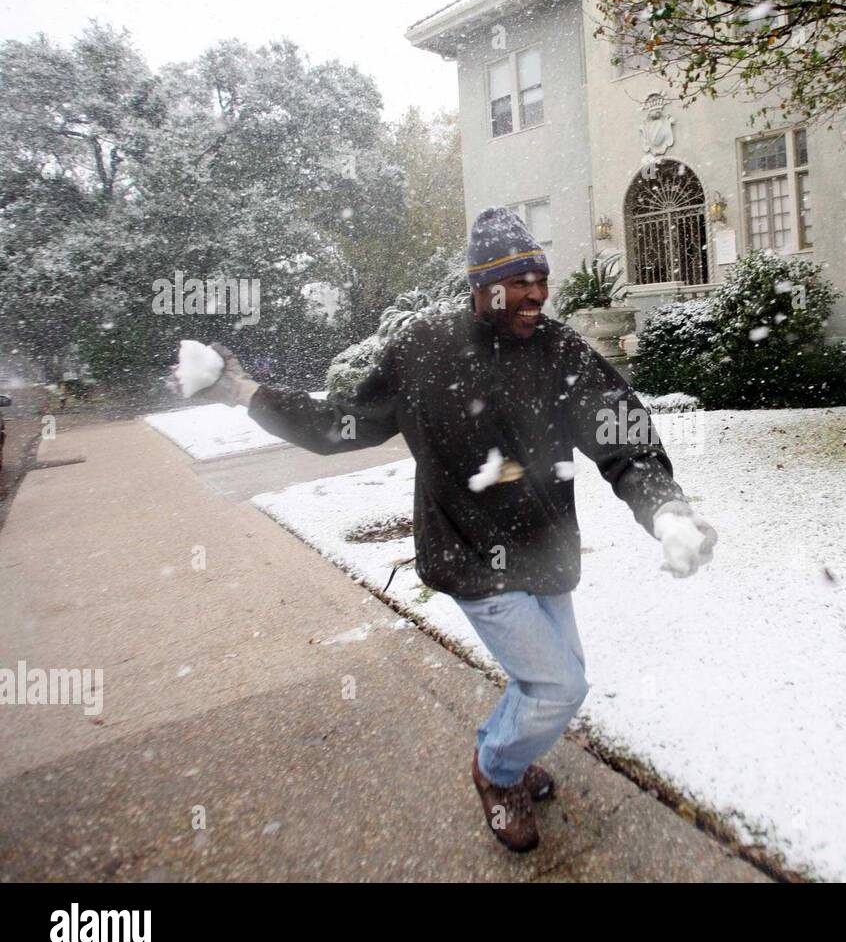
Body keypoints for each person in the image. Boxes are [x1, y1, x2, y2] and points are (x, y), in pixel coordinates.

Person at [198, 206, 717, 852]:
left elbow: (623, 433)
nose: (536, 293)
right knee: (559, 686)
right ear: (481, 285)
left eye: (541, 277)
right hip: (471, 555)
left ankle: (514, 753)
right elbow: (340, 425)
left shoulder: (558, 353)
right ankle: (496, 772)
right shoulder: (422, 349)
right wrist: (244, 391)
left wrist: (665, 508)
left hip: (546, 550)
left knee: (552, 682)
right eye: (518, 280)